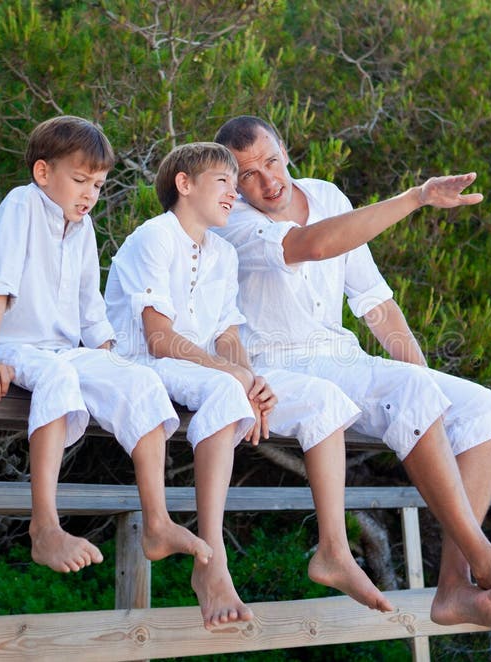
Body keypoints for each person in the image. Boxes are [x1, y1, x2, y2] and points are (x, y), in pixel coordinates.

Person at [213, 116, 491, 626]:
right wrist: (415, 197)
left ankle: (454, 585)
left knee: (486, 410)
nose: (267, 181)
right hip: (283, 369)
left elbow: (375, 301)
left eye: (271, 161)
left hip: (345, 360)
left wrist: (425, 384)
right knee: (411, 391)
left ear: (286, 150)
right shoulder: (235, 222)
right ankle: (490, 561)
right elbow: (311, 245)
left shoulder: (326, 194)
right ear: (234, 181)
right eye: (247, 174)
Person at [104, 142, 394, 630]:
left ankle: (334, 550)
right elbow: (157, 338)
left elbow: (227, 334)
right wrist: (232, 376)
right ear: (184, 184)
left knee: (323, 398)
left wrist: (253, 380)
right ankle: (212, 565)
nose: (234, 192)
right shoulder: (153, 237)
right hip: (142, 363)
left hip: (203, 368)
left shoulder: (221, 251)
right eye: (224, 181)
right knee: (225, 392)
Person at [0, 115, 211, 576]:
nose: (90, 194)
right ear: (42, 173)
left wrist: (115, 358)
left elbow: (90, 309)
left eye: (98, 184)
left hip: (58, 348)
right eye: (79, 180)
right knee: (59, 376)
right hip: (7, 343)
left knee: (138, 381)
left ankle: (157, 522)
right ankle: (44, 528)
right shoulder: (22, 205)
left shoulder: (84, 229)